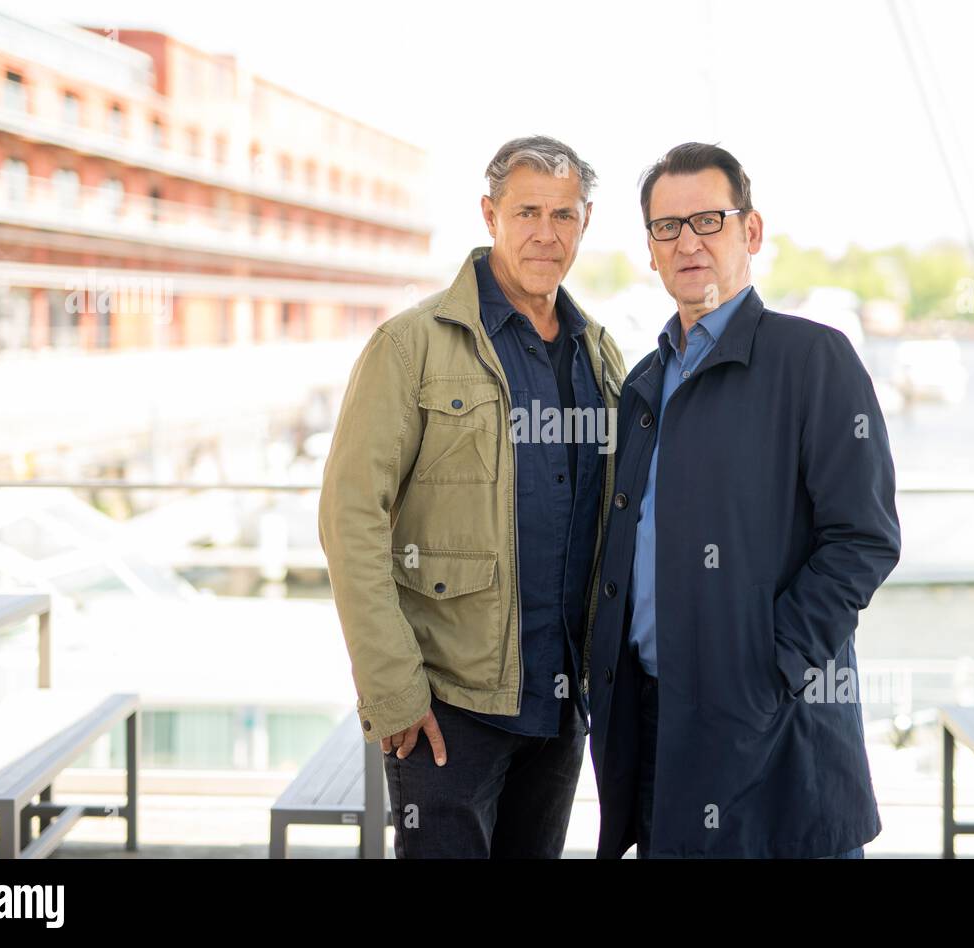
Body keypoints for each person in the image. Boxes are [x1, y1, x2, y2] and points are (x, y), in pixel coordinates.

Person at [587, 142, 901, 858]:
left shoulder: (813, 360)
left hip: (776, 729)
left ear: (750, 232)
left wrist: (774, 664)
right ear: (651, 250)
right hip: (657, 720)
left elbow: (863, 539)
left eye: (708, 219)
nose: (688, 242)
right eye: (668, 227)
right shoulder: (644, 382)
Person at [318, 135, 626, 857]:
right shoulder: (410, 345)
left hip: (559, 707)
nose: (545, 233)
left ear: (585, 224)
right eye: (526, 212)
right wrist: (393, 690)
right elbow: (350, 517)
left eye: (564, 215)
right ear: (489, 215)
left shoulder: (599, 353)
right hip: (446, 710)